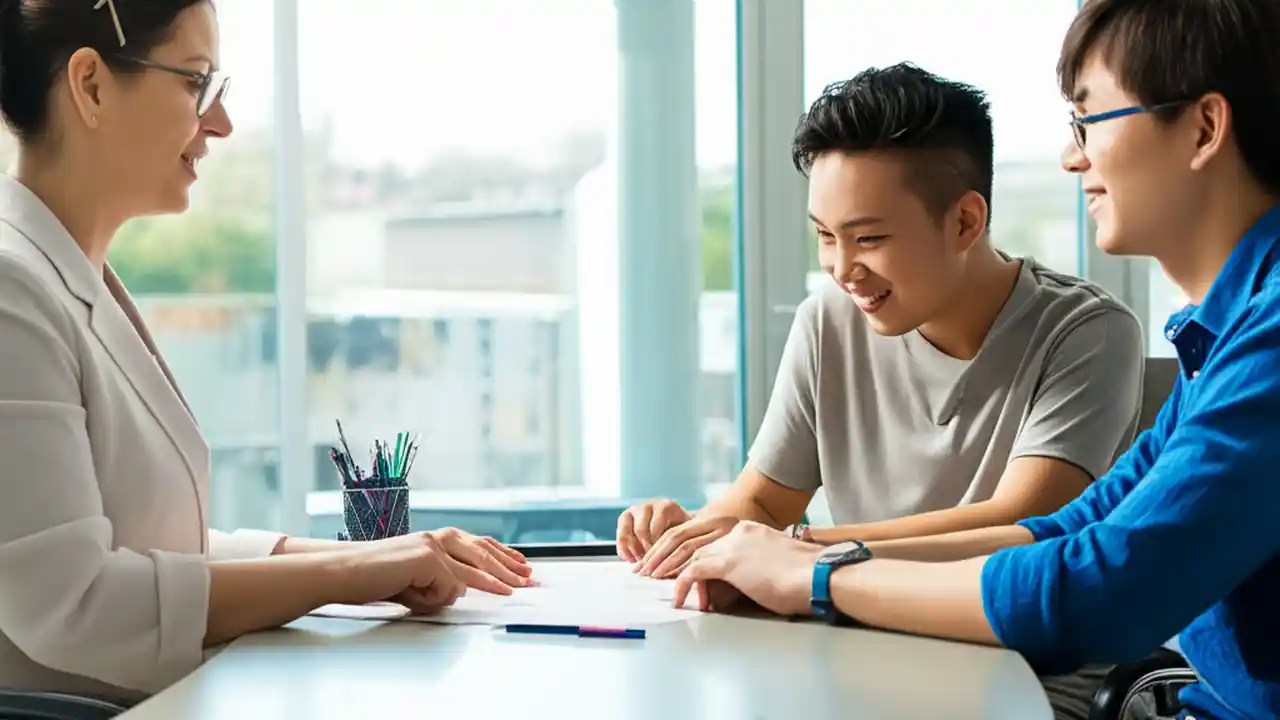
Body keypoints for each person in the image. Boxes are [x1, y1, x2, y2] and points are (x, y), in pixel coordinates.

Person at [671, 1, 1280, 719]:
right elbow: (1076, 527)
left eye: (1090, 121)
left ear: (1204, 129)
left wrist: (816, 578)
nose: (1071, 156)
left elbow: (1102, 590)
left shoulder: (1262, 335)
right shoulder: (1225, 336)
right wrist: (804, 561)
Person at [0, 0, 533, 704]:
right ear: (92, 86)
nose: (219, 122)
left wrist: (374, 557)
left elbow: (152, 550)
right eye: (195, 83)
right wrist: (346, 577)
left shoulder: (64, 276)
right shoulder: (12, 292)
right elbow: (74, 603)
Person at [617, 63, 1145, 580]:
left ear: (964, 222)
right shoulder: (828, 321)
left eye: (868, 239)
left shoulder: (1087, 332)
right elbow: (762, 499)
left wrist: (803, 548)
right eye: (825, 236)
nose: (842, 269)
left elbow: (1020, 524)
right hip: (858, 635)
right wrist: (687, 533)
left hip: (1028, 659)